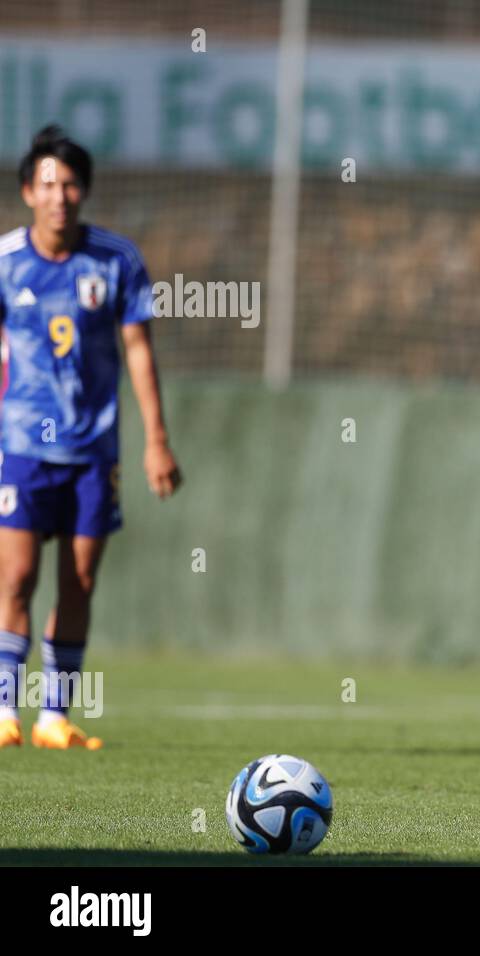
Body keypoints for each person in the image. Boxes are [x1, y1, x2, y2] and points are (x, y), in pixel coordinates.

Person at [0, 125, 182, 750]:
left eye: (71, 183)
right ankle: (4, 709)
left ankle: (53, 716)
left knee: (79, 579)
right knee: (17, 577)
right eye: (48, 183)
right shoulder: (6, 263)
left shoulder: (117, 260)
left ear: (85, 191)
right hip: (21, 444)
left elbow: (137, 349)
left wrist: (156, 439)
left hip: (92, 450)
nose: (61, 195)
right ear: (28, 191)